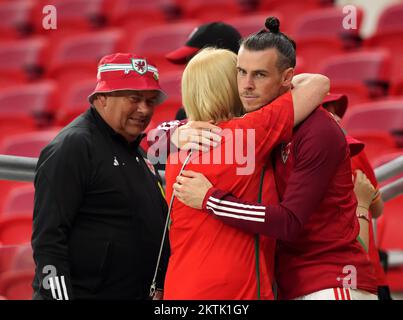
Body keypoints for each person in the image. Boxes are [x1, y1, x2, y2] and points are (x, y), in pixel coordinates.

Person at [171, 18, 378, 300]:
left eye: (259, 75)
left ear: (285, 77)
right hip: (291, 283)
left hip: (332, 282)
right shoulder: (258, 128)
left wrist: (210, 199)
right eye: (241, 72)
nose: (246, 85)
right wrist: (177, 131)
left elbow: (289, 222)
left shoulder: (317, 130)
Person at [164, 45, 330, 299]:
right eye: (240, 75)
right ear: (232, 87)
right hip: (232, 290)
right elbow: (318, 84)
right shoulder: (248, 134)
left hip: (179, 288)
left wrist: (176, 129)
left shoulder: (175, 154)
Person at [31, 53, 170, 300]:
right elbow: (49, 240)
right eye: (134, 98)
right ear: (102, 98)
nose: (144, 109)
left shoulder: (138, 154)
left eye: (150, 101)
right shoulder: (73, 146)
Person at [322, 93, 392, 300]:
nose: (336, 117)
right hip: (335, 277)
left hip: (363, 273)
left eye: (335, 111)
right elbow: (376, 208)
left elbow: (377, 208)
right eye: (327, 110)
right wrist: (362, 201)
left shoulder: (355, 151)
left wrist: (363, 200)